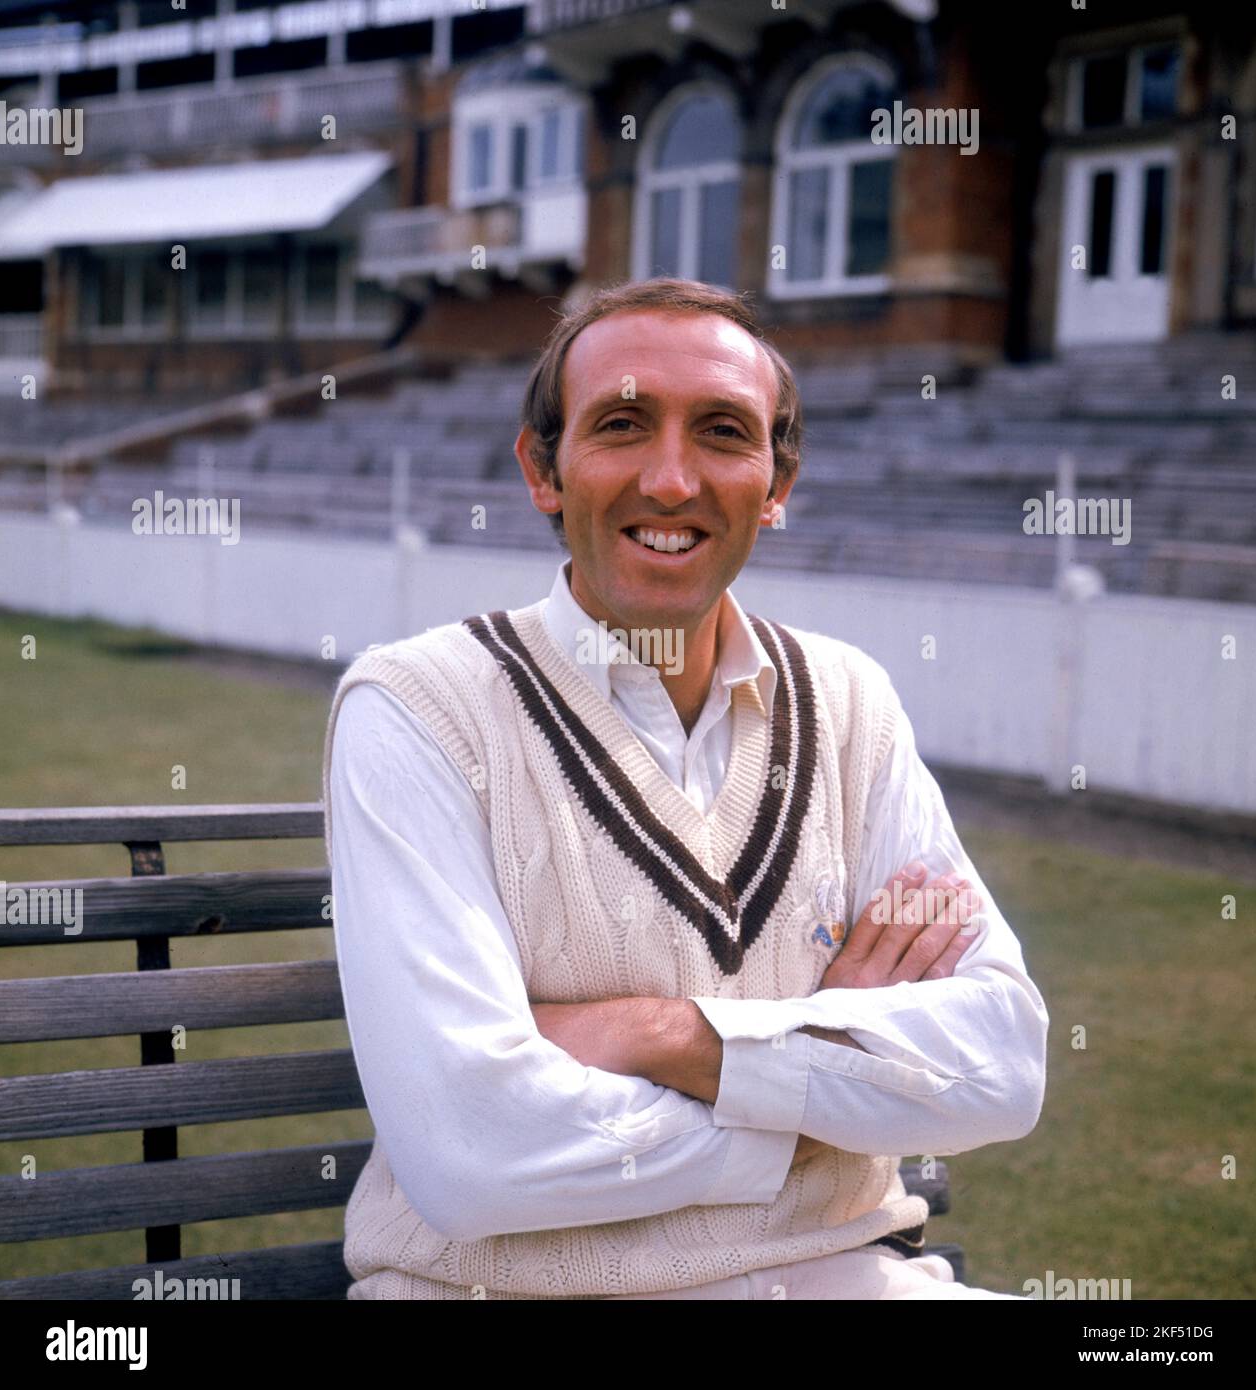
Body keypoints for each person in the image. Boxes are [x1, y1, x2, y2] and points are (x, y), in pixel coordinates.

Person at [322, 276, 1048, 1299]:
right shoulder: (419, 706)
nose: (671, 481)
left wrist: (657, 1034)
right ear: (543, 469)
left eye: (720, 431)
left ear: (776, 479)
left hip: (832, 1277)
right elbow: (469, 1149)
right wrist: (809, 1091)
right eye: (621, 424)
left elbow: (1002, 1066)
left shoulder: (848, 701)